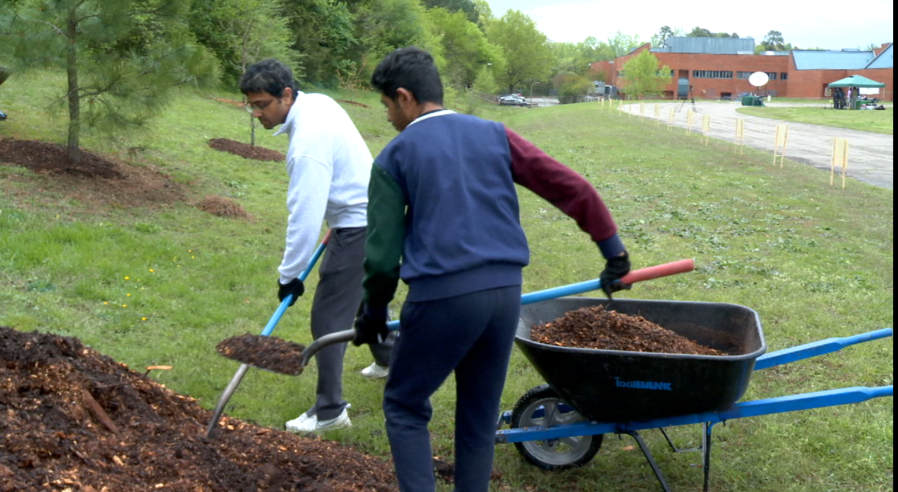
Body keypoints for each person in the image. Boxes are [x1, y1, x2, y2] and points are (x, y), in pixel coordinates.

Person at [353, 46, 632, 492]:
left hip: (441, 297)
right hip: (504, 295)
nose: (387, 116)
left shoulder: (393, 157)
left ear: (404, 97)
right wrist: (612, 250)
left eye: (386, 105)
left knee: (405, 404)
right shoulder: (494, 134)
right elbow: (569, 186)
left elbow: (382, 258)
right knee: (479, 417)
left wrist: (371, 314)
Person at [239, 58, 395, 433]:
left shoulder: (306, 144)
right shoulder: (318, 102)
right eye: (251, 104)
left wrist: (289, 276)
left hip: (359, 225)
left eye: (262, 104)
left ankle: (330, 411)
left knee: (327, 318)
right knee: (365, 300)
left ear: (287, 95)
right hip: (371, 213)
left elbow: (304, 216)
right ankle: (392, 360)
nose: (255, 113)